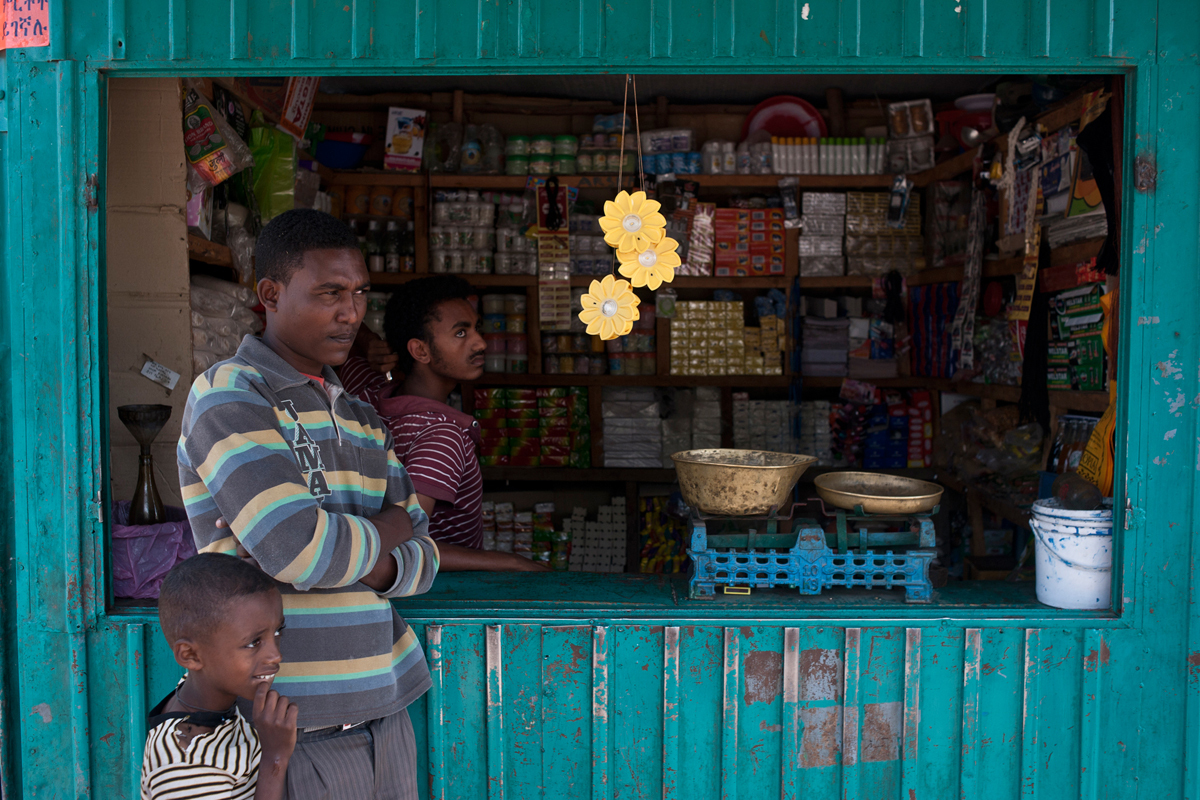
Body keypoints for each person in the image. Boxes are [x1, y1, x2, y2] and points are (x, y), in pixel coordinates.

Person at [178, 209, 440, 800]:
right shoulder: (231, 394)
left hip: (385, 710)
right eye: (330, 293)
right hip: (289, 724)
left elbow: (424, 558)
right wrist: (390, 527)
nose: (351, 313)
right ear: (270, 294)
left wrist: (355, 541)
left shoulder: (361, 416)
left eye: (359, 294)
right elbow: (299, 551)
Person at [340, 276, 548, 571]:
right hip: (436, 595)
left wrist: (369, 342)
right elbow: (403, 543)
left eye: (476, 328)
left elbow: (347, 323)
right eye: (461, 333)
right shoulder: (441, 436)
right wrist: (513, 562)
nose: (480, 342)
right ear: (420, 351)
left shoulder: (365, 394)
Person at [142, 553, 298, 800]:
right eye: (253, 642)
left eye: (278, 631)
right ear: (190, 656)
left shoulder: (199, 693)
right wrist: (275, 757)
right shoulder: (186, 767)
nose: (275, 655)